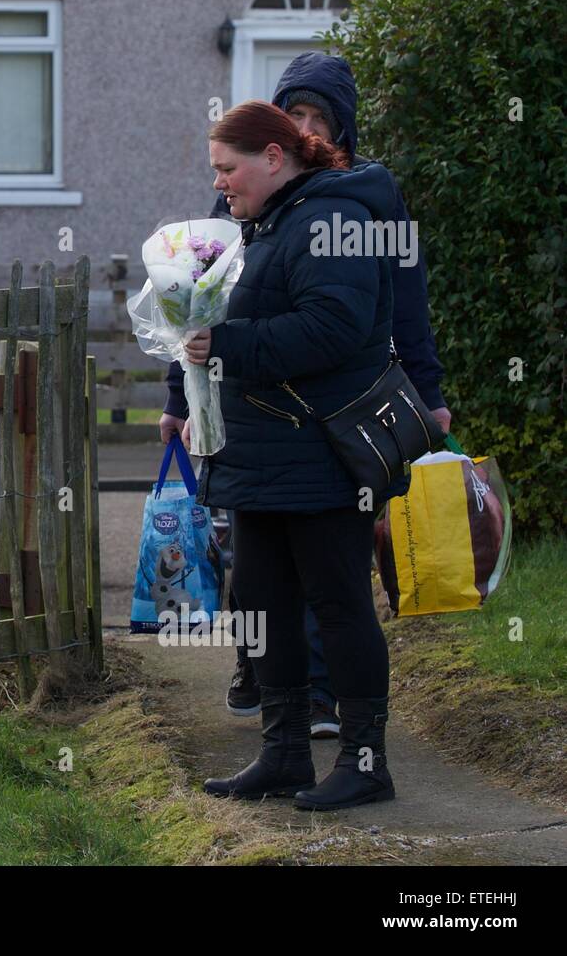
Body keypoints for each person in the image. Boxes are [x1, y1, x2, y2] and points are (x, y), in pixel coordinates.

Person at [160, 52, 449, 738]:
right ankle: (270, 693)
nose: (306, 124)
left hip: (327, 424)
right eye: (297, 110)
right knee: (260, 576)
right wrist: (179, 392)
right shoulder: (248, 197)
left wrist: (429, 390)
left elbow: (398, 304)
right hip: (254, 430)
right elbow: (196, 301)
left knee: (331, 582)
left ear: (341, 130)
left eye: (320, 116)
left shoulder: (355, 209)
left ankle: (330, 710)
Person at [189, 100, 400, 810]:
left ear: (274, 158)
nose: (220, 183)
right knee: (264, 605)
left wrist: (227, 346)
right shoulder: (265, 223)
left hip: (320, 455)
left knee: (340, 605)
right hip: (260, 455)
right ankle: (283, 756)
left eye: (228, 168)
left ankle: (365, 762)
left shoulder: (334, 220)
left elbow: (333, 328)